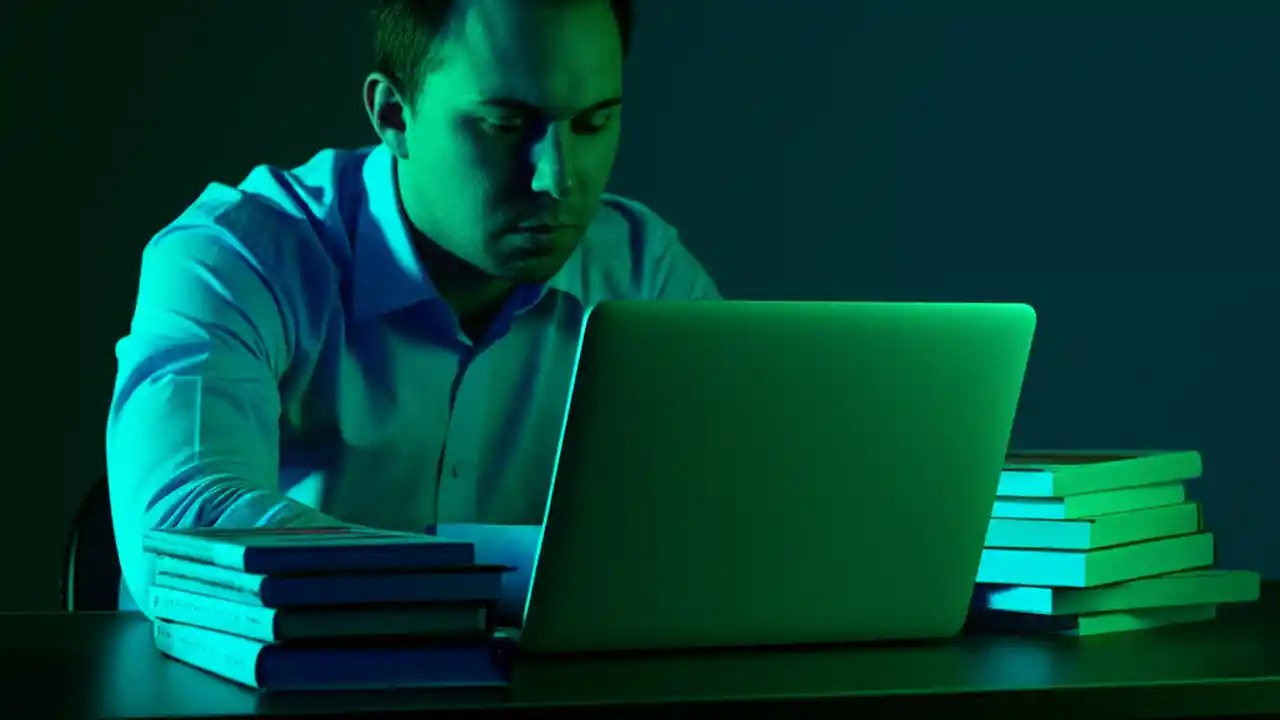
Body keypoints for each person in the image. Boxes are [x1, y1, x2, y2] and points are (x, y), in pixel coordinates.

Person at [105, 0, 720, 623]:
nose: (558, 179)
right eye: (505, 125)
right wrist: (530, 576)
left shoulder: (643, 270)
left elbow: (749, 519)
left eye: (593, 124)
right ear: (393, 114)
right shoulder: (236, 256)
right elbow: (184, 533)